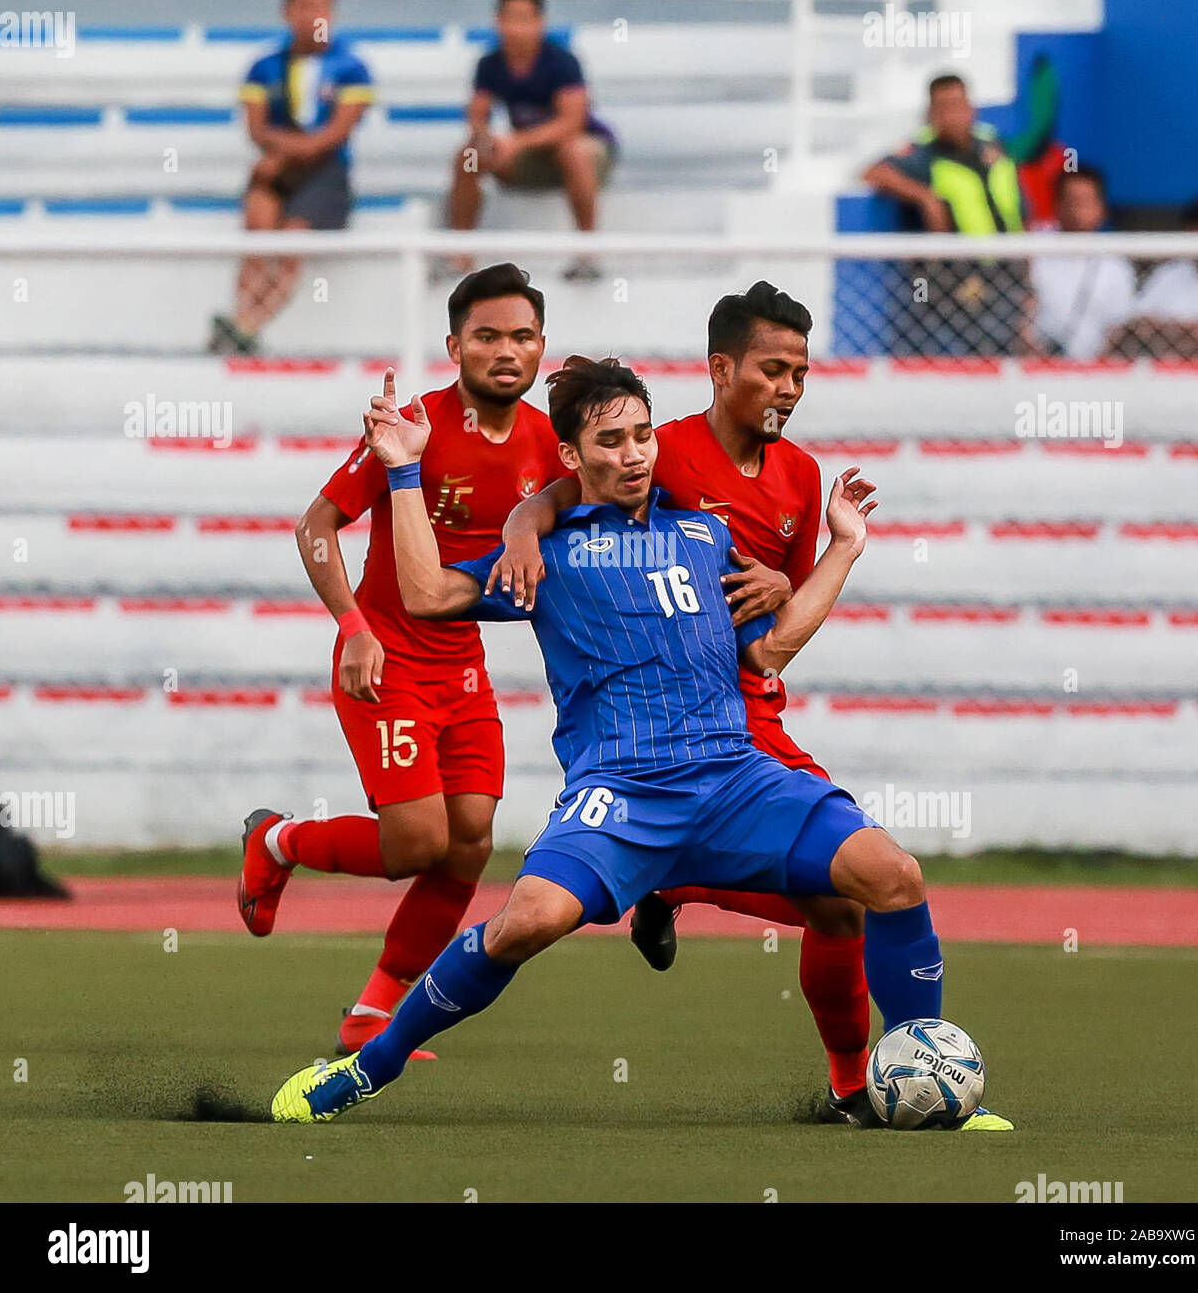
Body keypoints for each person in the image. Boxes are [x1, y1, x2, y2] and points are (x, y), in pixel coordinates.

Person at [271, 358, 1012, 1131]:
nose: (632, 454)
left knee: (891, 875)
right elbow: (424, 596)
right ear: (571, 456)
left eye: (642, 435)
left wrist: (842, 549)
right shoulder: (544, 554)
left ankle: (921, 1087)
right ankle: (368, 1066)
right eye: (611, 440)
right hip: (619, 791)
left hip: (734, 777)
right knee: (525, 923)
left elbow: (769, 652)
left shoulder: (704, 532)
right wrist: (403, 473)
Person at [493, 282, 873, 1123]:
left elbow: (771, 618)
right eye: (773, 369)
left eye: (800, 373)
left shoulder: (804, 476)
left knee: (844, 902)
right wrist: (523, 527)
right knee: (844, 895)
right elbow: (561, 497)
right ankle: (859, 1084)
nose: (789, 388)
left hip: (751, 717)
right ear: (719, 368)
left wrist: (790, 580)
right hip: (673, 723)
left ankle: (847, 1081)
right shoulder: (657, 446)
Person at [237, 264, 569, 1060]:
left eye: (521, 336)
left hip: (461, 667)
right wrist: (352, 624)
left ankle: (373, 1009)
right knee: (417, 843)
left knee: (471, 840)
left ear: (540, 348)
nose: (505, 350)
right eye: (486, 335)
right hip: (381, 660)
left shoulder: (547, 445)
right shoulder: (410, 425)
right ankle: (278, 842)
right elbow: (315, 524)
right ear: (454, 345)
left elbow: (568, 515)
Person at [208, 0, 374, 355]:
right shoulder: (264, 66)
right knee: (258, 230)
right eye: (304, 6)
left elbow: (331, 138)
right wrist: (285, 151)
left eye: (320, 6)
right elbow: (256, 129)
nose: (312, 15)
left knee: (293, 239)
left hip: (326, 174)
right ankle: (242, 323)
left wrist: (282, 149)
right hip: (278, 167)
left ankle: (243, 326)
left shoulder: (351, 67)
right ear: (287, 12)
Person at [446, 0, 618, 281]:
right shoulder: (489, 65)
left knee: (573, 150)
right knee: (469, 156)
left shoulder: (562, 63)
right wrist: (484, 137)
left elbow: (572, 124)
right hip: (530, 159)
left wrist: (516, 141)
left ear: (540, 22)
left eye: (525, 19)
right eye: (510, 18)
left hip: (586, 155)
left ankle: (588, 255)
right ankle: (460, 257)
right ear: (498, 22)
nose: (517, 28)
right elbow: (477, 114)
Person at [862, 73, 1027, 355]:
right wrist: (926, 198)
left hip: (1011, 264)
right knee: (973, 346)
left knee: (1017, 345)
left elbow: (1015, 201)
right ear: (932, 113)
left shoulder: (991, 143)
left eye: (959, 104)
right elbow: (874, 172)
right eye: (944, 107)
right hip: (961, 271)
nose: (953, 115)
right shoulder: (923, 152)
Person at [1027, 167, 1135, 360]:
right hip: (1036, 366)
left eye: (1085, 202)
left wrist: (1095, 369)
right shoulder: (1032, 252)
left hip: (1095, 373)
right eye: (1070, 201)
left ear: (1101, 209)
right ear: (1056, 205)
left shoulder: (1117, 265)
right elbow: (1021, 317)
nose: (1076, 210)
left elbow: (1120, 328)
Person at [1106, 199, 1198, 360]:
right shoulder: (1169, 273)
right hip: (1166, 371)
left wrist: (1173, 329)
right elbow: (1136, 324)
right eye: (1196, 231)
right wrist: (1193, 332)